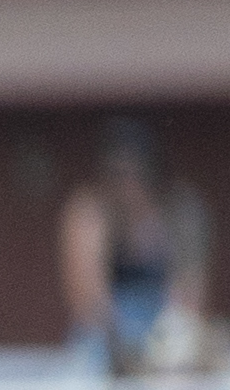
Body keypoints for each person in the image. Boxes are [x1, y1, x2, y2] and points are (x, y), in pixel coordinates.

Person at [58, 115, 210, 368]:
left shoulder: (180, 209)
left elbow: (191, 294)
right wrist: (121, 350)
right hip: (106, 333)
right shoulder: (90, 211)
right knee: (89, 360)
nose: (129, 184)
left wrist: (168, 345)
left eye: (137, 173)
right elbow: (87, 298)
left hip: (162, 327)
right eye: (119, 175)